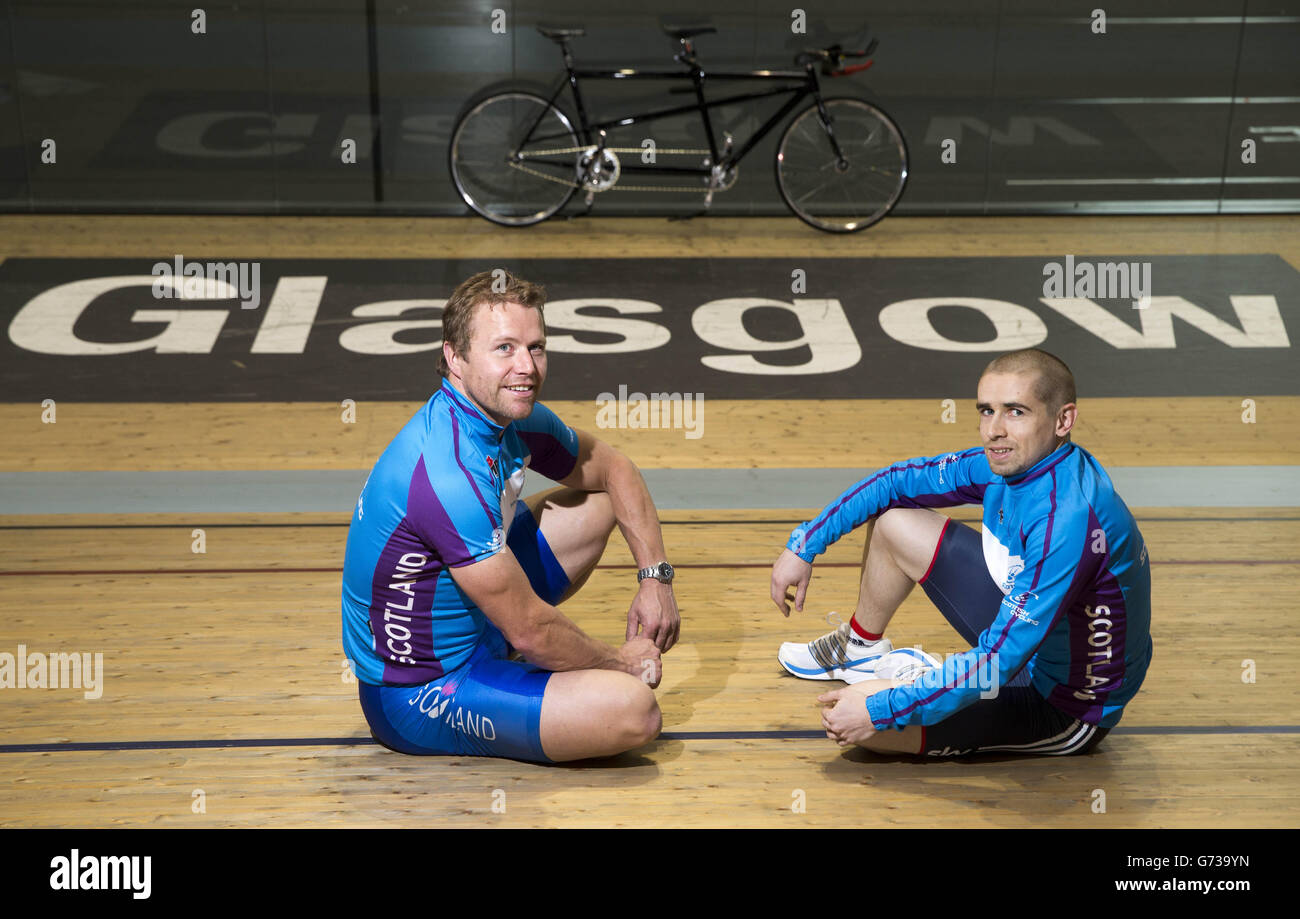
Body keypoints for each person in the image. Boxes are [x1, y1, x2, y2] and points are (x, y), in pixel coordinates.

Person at [342, 270, 679, 763]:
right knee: (634, 712)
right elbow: (531, 630)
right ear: (454, 358)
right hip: (421, 691)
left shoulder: (504, 415)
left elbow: (614, 468)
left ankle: (507, 664)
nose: (527, 367)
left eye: (535, 347)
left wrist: (656, 579)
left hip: (480, 621)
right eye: (504, 349)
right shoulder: (446, 469)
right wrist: (620, 663)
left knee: (599, 501)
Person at [771, 348, 1152, 757]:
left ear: (1063, 420)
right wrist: (804, 545)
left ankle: (922, 680)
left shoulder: (1069, 520)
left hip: (1064, 707)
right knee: (895, 522)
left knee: (862, 731)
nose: (994, 430)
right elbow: (894, 482)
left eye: (1016, 412)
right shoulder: (1012, 463)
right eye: (987, 411)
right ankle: (860, 651)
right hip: (1030, 640)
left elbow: (998, 660)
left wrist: (881, 709)